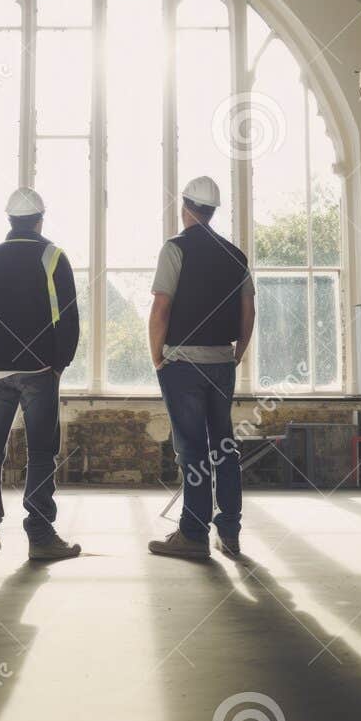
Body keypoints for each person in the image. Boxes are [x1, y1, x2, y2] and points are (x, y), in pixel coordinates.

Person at [0, 187, 82, 562]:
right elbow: (69, 319)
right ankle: (41, 536)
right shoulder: (53, 257)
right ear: (40, 219)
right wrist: (59, 364)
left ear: (9, 220)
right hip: (38, 370)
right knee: (41, 452)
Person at [147, 176, 256, 560]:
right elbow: (248, 311)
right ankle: (230, 531)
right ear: (213, 211)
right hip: (221, 363)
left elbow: (161, 308)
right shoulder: (235, 255)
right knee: (224, 446)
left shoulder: (175, 249)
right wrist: (238, 353)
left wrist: (157, 357)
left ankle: (193, 533)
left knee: (192, 451)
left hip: (183, 364)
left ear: (185, 207)